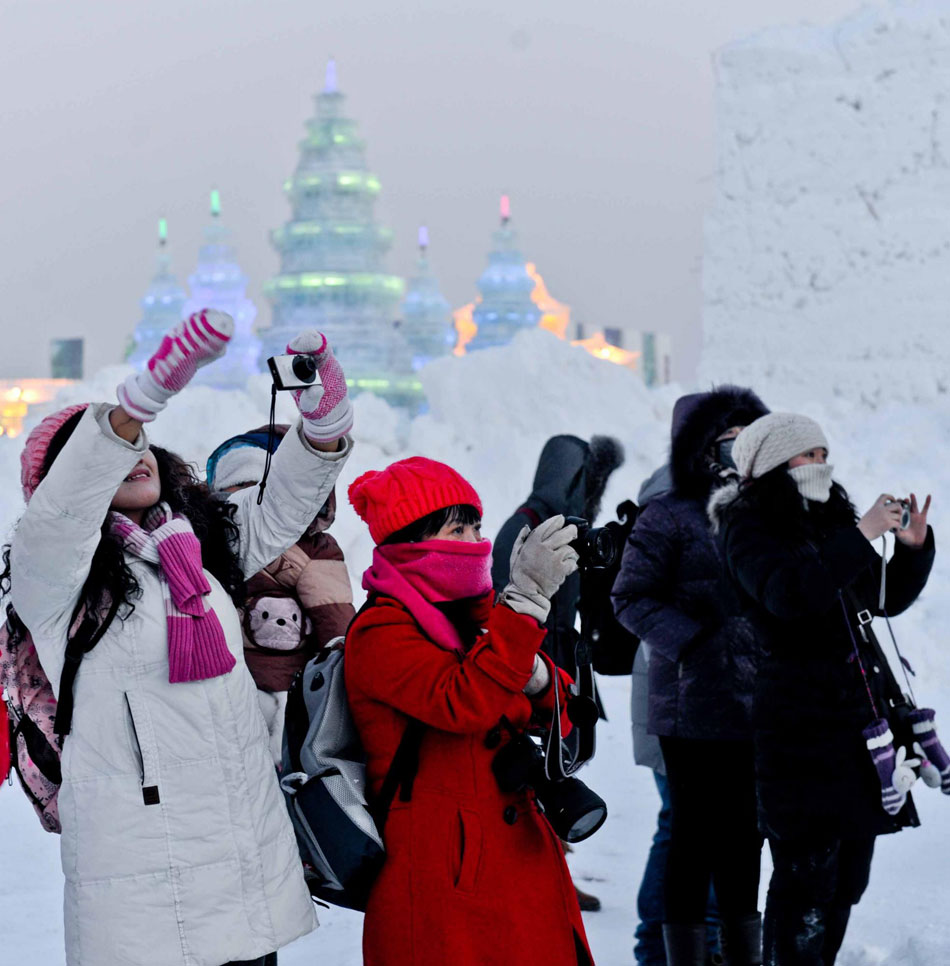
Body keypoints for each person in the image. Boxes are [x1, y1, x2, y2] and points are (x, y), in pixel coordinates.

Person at [5, 312, 353, 966]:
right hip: (144, 889)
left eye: (141, 442)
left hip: (242, 868)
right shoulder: (51, 576)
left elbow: (281, 509)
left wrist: (323, 428)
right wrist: (140, 401)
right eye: (109, 446)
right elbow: (64, 512)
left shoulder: (198, 546)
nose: (136, 452)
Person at [344, 456, 595, 966]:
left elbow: (566, 712)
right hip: (442, 874)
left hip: (512, 854)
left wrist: (544, 680)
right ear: (410, 541)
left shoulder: (479, 616)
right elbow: (463, 703)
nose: (476, 540)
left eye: (477, 524)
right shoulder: (380, 631)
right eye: (458, 528)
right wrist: (524, 603)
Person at [710, 412, 935, 966]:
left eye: (822, 453)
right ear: (770, 464)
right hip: (798, 730)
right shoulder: (748, 525)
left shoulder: (829, 516)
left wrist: (910, 548)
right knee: (806, 880)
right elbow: (791, 595)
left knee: (848, 878)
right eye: (807, 455)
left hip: (858, 722)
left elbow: (878, 598)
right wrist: (860, 537)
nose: (820, 464)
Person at [613, 387, 769, 966]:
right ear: (700, 446)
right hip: (690, 706)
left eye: (745, 436)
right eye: (725, 439)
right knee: (692, 839)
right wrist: (699, 641)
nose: (735, 450)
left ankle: (739, 956)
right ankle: (672, 956)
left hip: (759, 705)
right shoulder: (669, 513)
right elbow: (629, 597)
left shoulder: (765, 507)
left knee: (746, 839)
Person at [492, 433, 624, 911]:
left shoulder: (560, 526)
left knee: (563, 763)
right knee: (542, 769)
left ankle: (553, 869)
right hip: (534, 662)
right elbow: (505, 599)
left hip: (561, 655)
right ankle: (545, 873)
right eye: (578, 477)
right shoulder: (525, 526)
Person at [206, 424, 356, 765]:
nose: (244, 498)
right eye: (234, 489)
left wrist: (342, 670)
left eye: (254, 488)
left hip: (290, 686)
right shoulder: (208, 545)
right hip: (228, 684)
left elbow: (333, 615)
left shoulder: (313, 551)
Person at [628, 466, 721, 966]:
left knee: (693, 826)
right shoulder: (671, 502)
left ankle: (687, 944)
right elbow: (642, 604)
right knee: (682, 826)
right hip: (676, 705)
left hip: (697, 704)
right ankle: (658, 947)